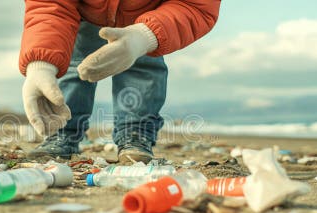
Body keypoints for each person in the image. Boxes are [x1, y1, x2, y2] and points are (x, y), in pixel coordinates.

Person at [19, 0, 221, 164]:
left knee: (143, 67)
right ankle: (61, 132)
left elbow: (197, 5)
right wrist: (41, 65)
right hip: (84, 14)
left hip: (149, 19)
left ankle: (136, 133)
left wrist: (145, 37)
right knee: (75, 65)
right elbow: (50, 5)